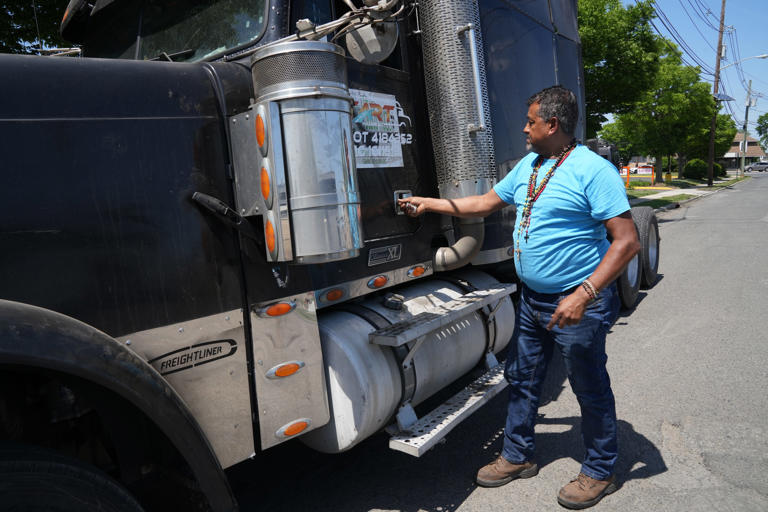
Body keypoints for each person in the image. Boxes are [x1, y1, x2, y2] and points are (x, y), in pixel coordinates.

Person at [398, 85, 640, 509]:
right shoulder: (531, 164)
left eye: (531, 121)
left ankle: (600, 470)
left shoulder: (593, 170)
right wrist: (429, 204)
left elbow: (626, 241)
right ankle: (517, 455)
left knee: (589, 386)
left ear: (553, 124)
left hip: (577, 302)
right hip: (533, 300)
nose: (524, 128)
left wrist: (584, 294)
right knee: (522, 379)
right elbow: (484, 203)